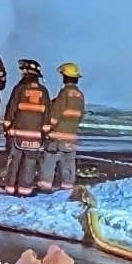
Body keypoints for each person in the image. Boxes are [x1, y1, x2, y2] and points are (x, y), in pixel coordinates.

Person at [1, 58, 50, 195]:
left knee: (14, 162)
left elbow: (11, 109)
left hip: (17, 134)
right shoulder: (44, 91)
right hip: (35, 136)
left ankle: (10, 188)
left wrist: (6, 127)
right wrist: (44, 133)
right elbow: (47, 114)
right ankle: (24, 190)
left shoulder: (20, 89)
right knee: (30, 163)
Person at [36, 62, 85, 192]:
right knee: (68, 163)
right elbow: (80, 116)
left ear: (65, 77)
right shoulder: (80, 95)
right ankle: (67, 187)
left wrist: (46, 130)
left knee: (49, 161)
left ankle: (44, 187)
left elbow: (55, 115)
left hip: (57, 136)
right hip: (71, 136)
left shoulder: (64, 94)